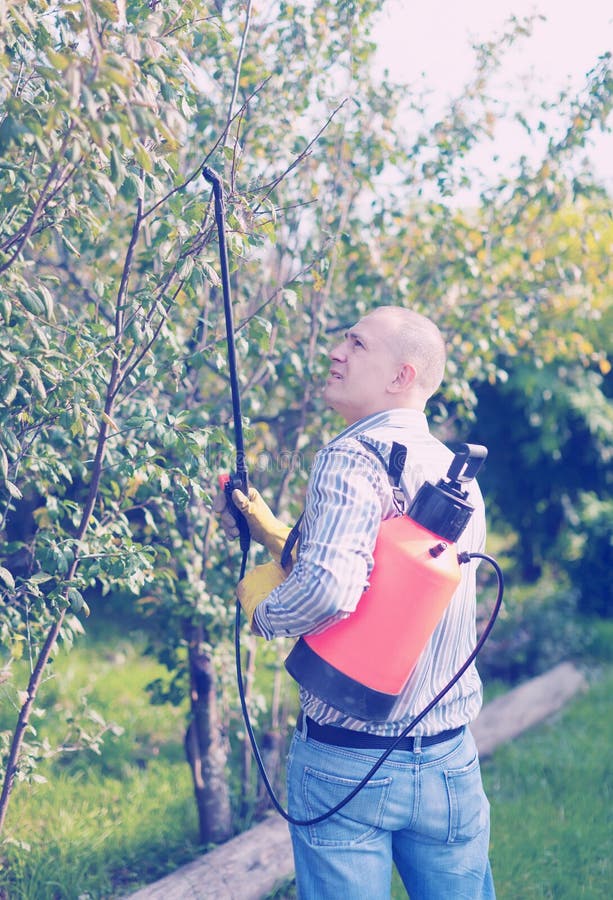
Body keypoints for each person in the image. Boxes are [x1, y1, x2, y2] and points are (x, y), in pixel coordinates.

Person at [216, 306, 495, 900]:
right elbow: (390, 578)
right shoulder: (458, 472)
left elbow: (332, 589)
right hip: (448, 760)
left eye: (357, 344)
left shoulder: (349, 457)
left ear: (402, 375)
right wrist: (277, 535)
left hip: (349, 763)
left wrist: (264, 610)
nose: (336, 352)